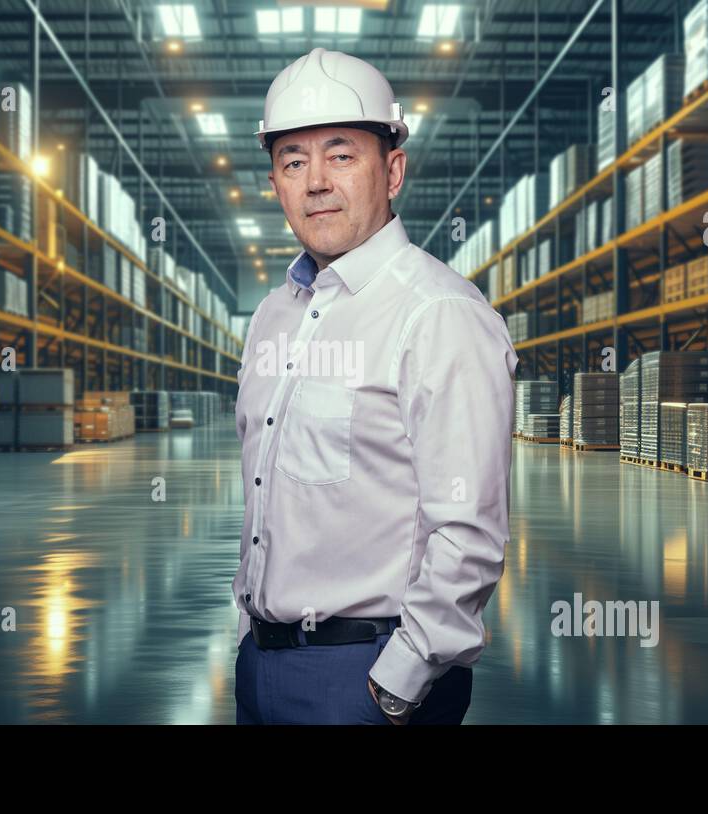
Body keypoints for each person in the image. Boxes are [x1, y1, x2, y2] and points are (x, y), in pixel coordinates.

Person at [232, 47, 516, 725]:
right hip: (262, 668)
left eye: (341, 154)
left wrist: (397, 683)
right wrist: (247, 643)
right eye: (293, 161)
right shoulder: (274, 316)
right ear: (275, 182)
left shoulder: (438, 314)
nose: (316, 182)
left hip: (366, 677)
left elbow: (469, 530)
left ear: (392, 170)